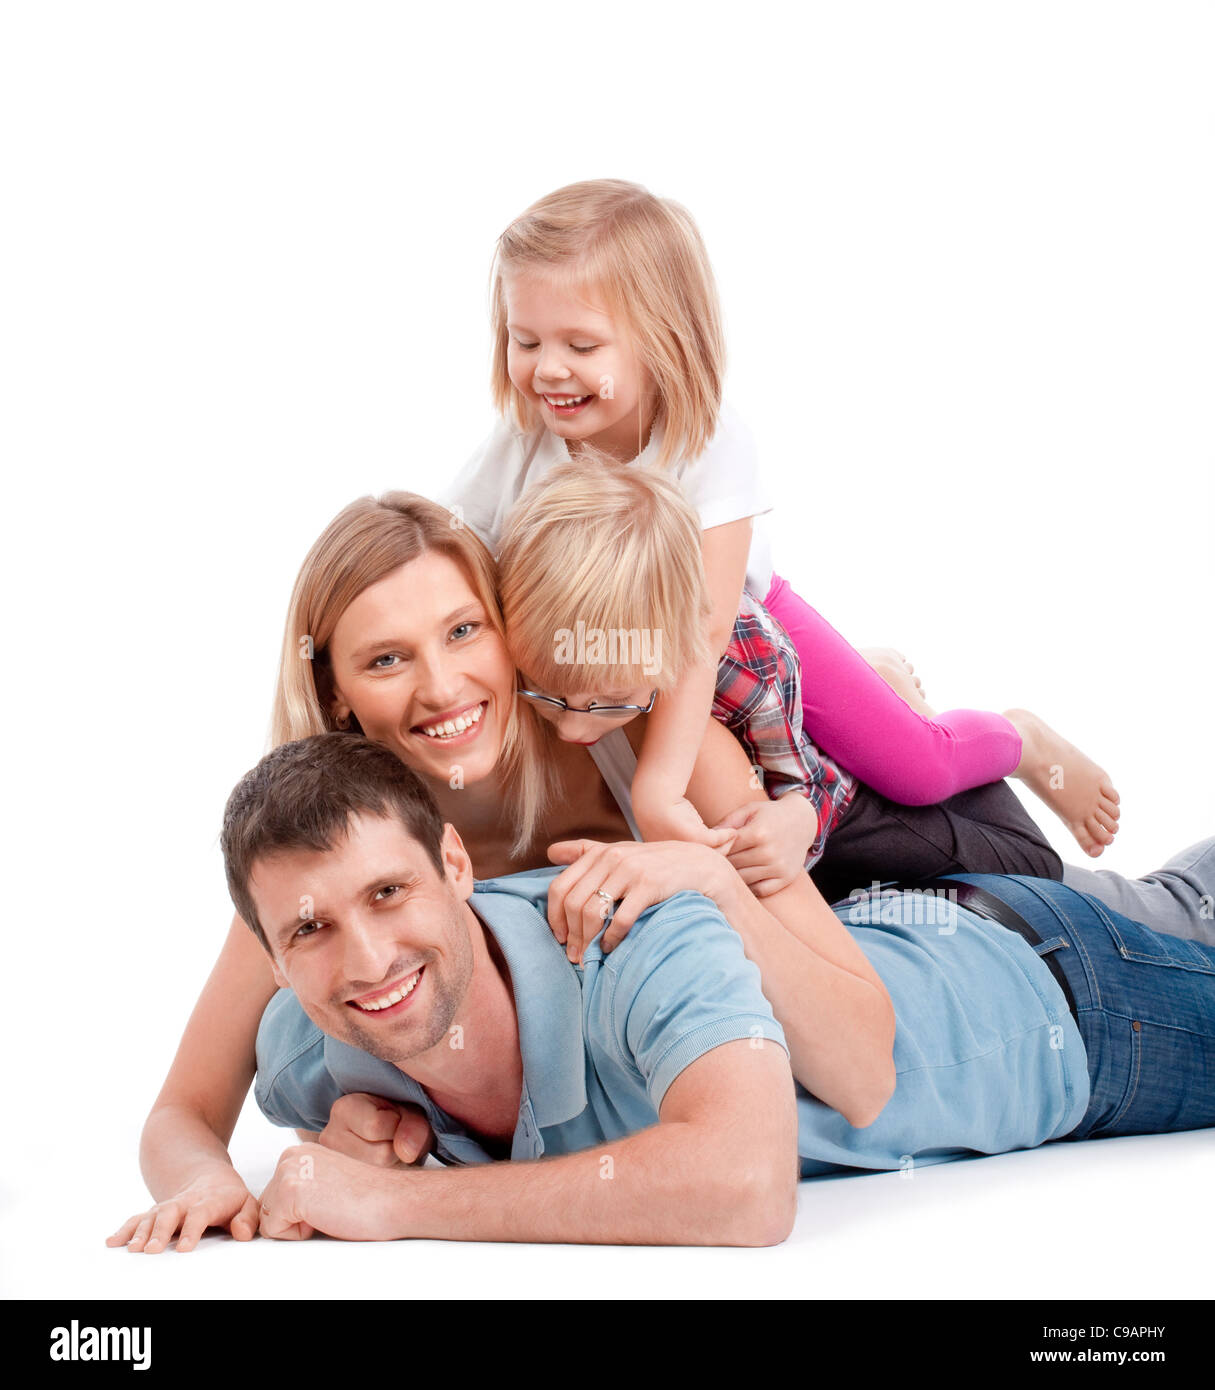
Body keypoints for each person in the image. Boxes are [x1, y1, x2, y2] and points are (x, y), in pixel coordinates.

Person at [222, 734, 1215, 1248]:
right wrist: (332, 1138)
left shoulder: (627, 927)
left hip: (1064, 1012)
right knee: (1187, 892)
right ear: (272, 959)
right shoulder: (313, 1049)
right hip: (940, 920)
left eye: (390, 892)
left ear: (455, 861)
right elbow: (205, 1117)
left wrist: (399, 1203)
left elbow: (744, 1187)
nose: (365, 959)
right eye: (309, 929)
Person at [447, 178, 1121, 857]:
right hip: (618, 661)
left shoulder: (705, 440)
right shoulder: (515, 446)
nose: (547, 371)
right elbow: (457, 557)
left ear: (662, 338)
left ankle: (1019, 738)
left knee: (918, 771)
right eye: (525, 341)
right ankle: (871, 675)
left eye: (581, 347)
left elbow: (702, 632)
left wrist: (659, 786)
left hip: (741, 631)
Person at [499, 454, 1077, 908]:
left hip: (830, 794)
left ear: (678, 649)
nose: (575, 727)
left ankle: (1016, 738)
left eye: (610, 702)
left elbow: (807, 784)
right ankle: (874, 685)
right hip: (788, 704)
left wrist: (796, 823)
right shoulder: (543, 624)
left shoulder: (742, 670)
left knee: (1027, 865)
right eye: (550, 695)